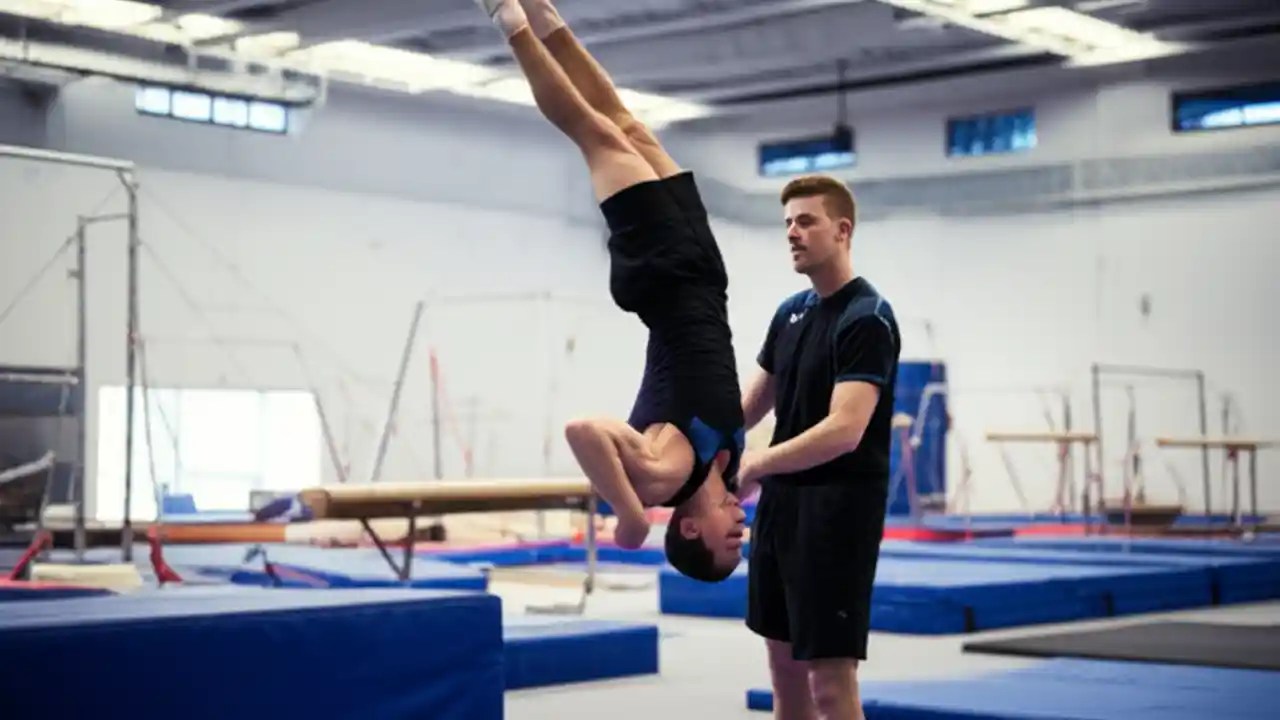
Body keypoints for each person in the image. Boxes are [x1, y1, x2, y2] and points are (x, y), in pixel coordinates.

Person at [474, 0, 747, 582]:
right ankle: (546, 18)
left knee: (596, 135)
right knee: (629, 126)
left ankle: (506, 18)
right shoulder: (731, 471)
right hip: (702, 273)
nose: (741, 536)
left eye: (730, 546)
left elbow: (583, 431)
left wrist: (629, 514)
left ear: (691, 529)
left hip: (664, 276)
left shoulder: (665, 477)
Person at [736, 174, 901, 720]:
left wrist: (757, 463)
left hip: (837, 515)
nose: (792, 233)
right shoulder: (789, 313)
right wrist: (687, 448)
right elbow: (751, 406)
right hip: (783, 513)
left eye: (806, 221)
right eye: (787, 223)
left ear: (843, 229)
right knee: (785, 679)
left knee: (829, 683)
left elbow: (844, 430)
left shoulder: (867, 318)